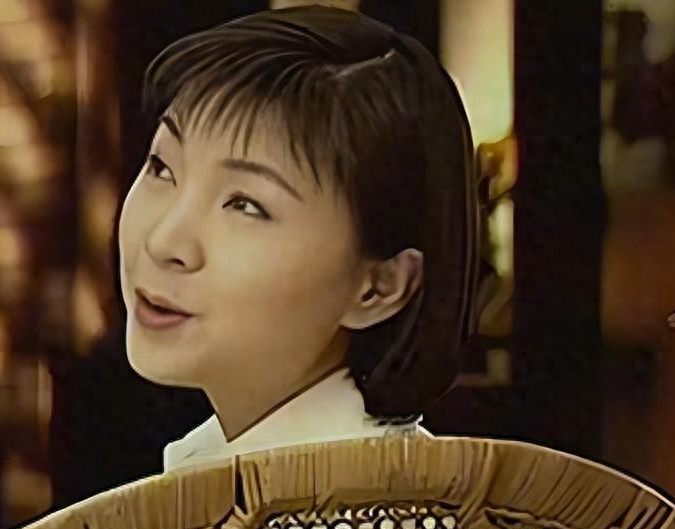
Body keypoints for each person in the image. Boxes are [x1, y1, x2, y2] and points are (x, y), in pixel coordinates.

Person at [117, 6, 480, 472]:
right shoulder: (228, 470)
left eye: (246, 204)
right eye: (161, 167)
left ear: (379, 287)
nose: (164, 242)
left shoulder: (362, 509)